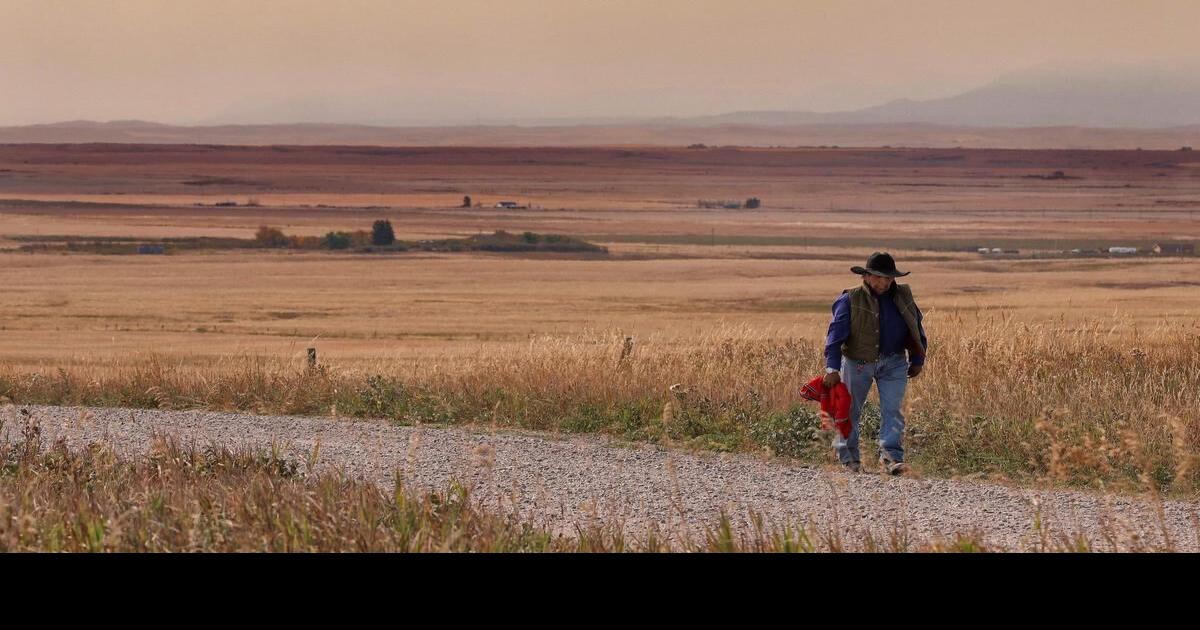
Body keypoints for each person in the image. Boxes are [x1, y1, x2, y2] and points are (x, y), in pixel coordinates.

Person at [822, 252, 927, 475]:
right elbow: (834, 337)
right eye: (880, 277)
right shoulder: (850, 299)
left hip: (894, 362)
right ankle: (849, 460)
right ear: (867, 276)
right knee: (849, 410)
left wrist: (918, 358)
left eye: (889, 278)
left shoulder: (903, 295)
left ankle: (891, 460)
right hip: (858, 362)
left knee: (893, 410)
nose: (885, 282)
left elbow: (916, 326)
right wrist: (831, 368)